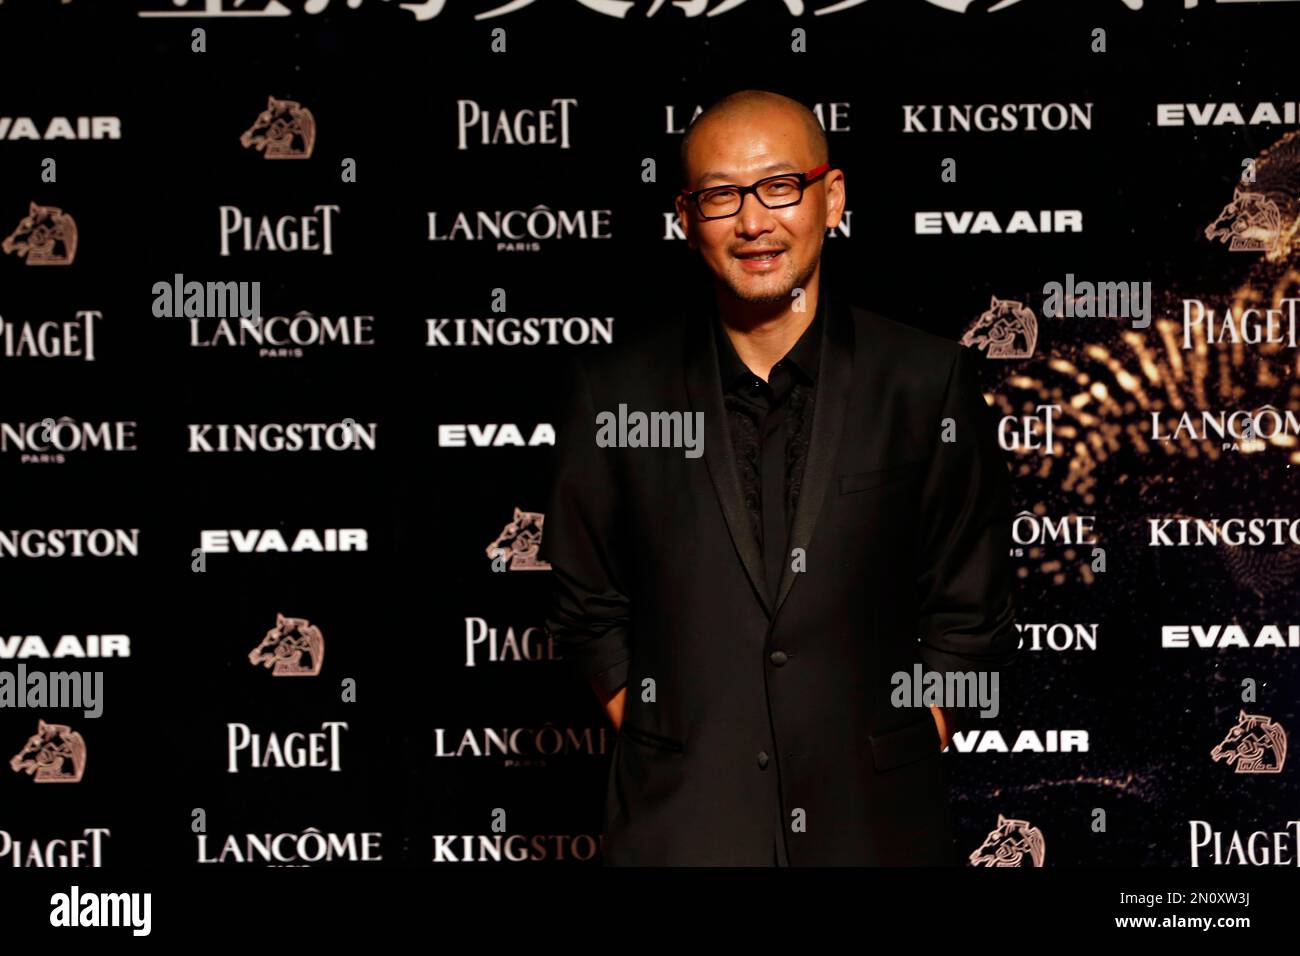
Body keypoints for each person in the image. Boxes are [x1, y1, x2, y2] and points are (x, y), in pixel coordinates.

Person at [541, 89, 1018, 866]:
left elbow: (973, 609)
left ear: (831, 198)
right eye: (721, 194)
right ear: (687, 217)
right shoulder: (614, 392)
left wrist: (897, 742)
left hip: (875, 829)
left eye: (779, 186)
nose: (753, 221)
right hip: (682, 829)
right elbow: (587, 603)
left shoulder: (924, 380)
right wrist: (671, 743)